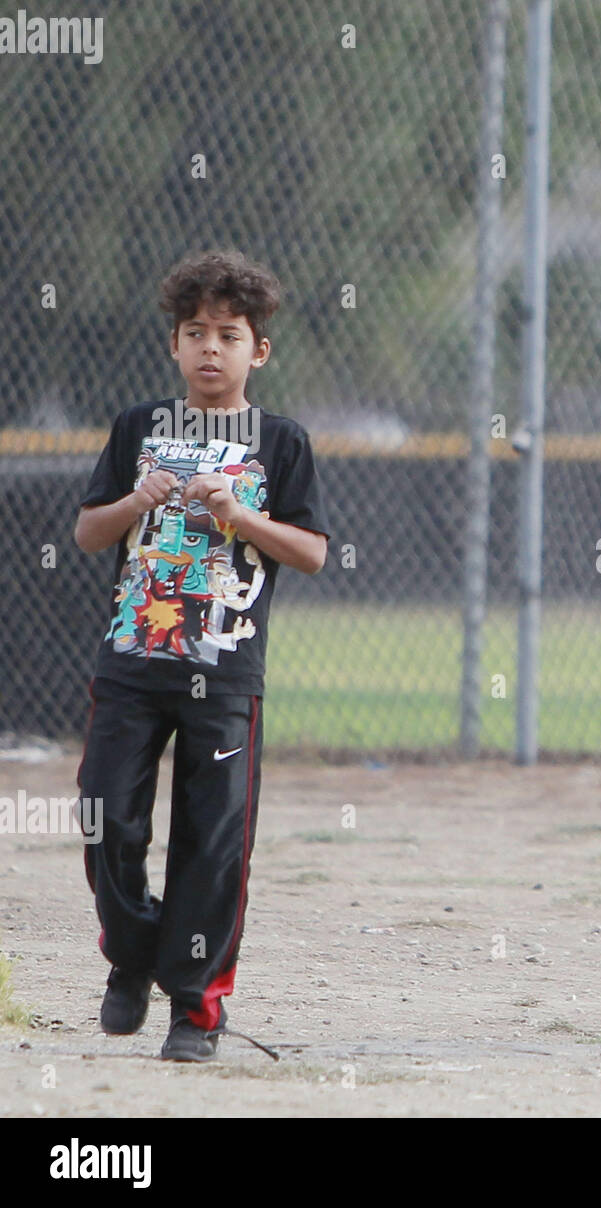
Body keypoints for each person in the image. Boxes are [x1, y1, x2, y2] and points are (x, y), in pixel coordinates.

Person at [74, 249, 330, 1061]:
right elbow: (87, 533)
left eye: (228, 333)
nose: (210, 348)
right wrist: (133, 500)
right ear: (174, 345)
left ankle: (195, 1006)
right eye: (194, 332)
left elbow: (313, 553)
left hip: (224, 671)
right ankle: (131, 953)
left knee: (213, 840)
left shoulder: (280, 442)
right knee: (104, 814)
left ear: (259, 350)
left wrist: (240, 517)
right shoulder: (139, 429)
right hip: (131, 660)